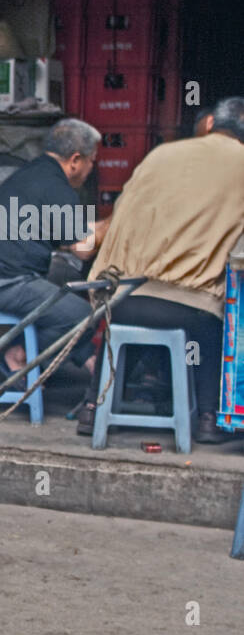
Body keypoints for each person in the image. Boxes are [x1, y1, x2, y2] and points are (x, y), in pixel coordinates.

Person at [81, 96, 244, 444]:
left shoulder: (162, 154)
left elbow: (121, 214)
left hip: (123, 298)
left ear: (212, 124)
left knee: (119, 329)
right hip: (192, 311)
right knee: (216, 321)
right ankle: (207, 419)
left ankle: (91, 409)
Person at [0, 118, 105, 379]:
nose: (92, 168)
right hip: (0, 283)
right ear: (75, 160)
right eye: (92, 160)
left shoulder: (34, 174)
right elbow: (83, 247)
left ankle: (90, 362)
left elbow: (73, 232)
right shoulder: (56, 186)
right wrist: (116, 222)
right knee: (80, 313)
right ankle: (15, 357)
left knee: (67, 288)